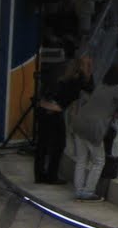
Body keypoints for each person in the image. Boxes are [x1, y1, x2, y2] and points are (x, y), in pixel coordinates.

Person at [67, 63, 118, 201]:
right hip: (94, 128)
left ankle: (79, 190)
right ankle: (88, 191)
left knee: (81, 160)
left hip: (80, 122)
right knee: (99, 161)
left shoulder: (101, 85)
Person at [36, 53, 94, 185]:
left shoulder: (66, 76)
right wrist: (89, 69)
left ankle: (40, 175)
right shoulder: (78, 79)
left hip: (46, 109)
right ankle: (51, 175)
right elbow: (90, 88)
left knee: (43, 144)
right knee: (59, 144)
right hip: (53, 112)